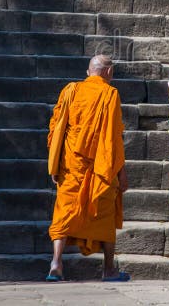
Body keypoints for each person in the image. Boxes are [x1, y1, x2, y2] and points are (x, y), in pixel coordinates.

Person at [46, 55, 129, 282]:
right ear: (109, 73)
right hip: (100, 168)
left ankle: (56, 262)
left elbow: (56, 129)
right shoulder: (110, 94)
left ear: (87, 71)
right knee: (105, 214)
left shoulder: (71, 90)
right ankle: (109, 269)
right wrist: (122, 172)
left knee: (64, 211)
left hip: (71, 165)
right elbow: (113, 139)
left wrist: (55, 163)